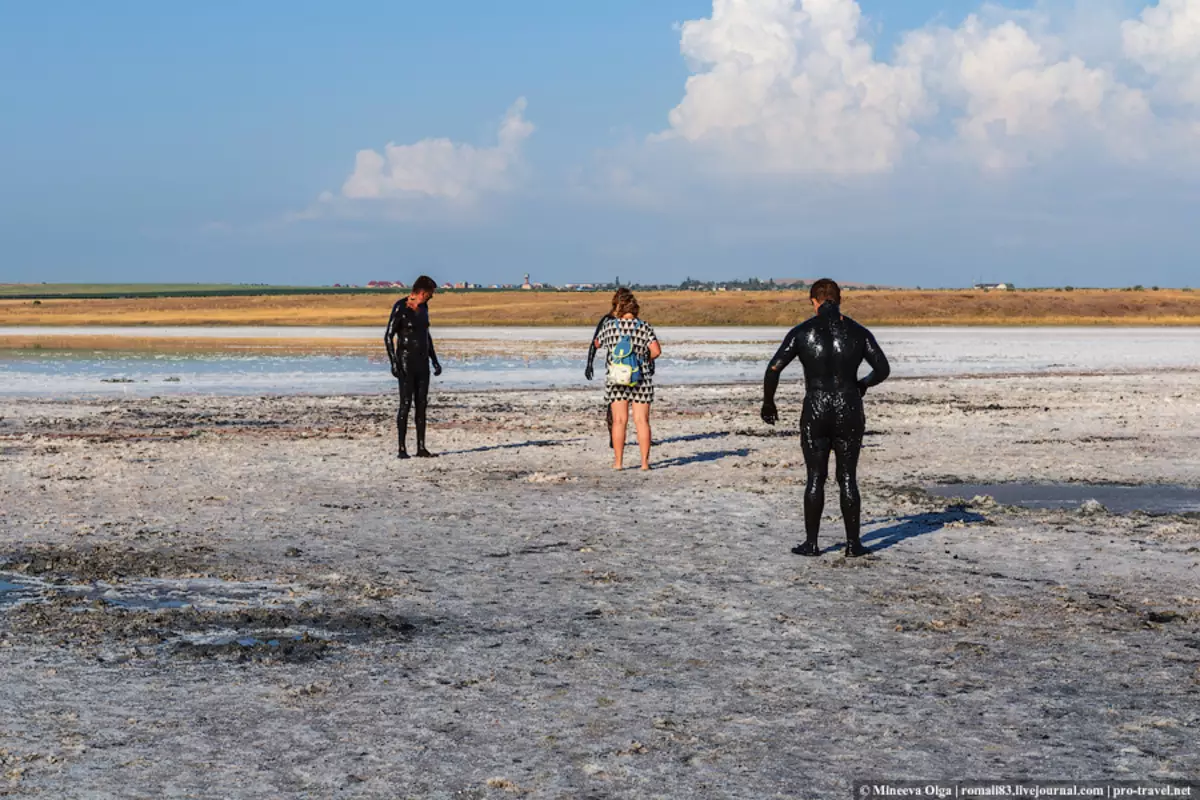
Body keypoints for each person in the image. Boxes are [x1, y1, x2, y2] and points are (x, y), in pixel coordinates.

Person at [761, 278, 890, 557]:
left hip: (816, 407)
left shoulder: (803, 331)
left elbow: (773, 369)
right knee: (847, 477)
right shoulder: (858, 332)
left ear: (814, 301)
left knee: (816, 478)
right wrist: (862, 384)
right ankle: (853, 544)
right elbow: (882, 369)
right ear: (839, 299)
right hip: (848, 405)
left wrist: (769, 403)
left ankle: (812, 543)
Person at [594, 291, 661, 470]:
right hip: (641, 378)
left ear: (618, 307)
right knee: (642, 421)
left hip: (617, 378)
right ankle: (645, 463)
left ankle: (618, 463)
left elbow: (597, 344)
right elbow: (656, 351)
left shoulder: (609, 327)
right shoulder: (644, 327)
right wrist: (645, 360)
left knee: (619, 421)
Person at [385, 276, 443, 459]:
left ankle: (421, 447)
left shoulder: (424, 308)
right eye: (430, 294)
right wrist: (394, 362)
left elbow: (427, 336)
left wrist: (434, 360)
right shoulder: (401, 307)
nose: (431, 298)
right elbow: (388, 336)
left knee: (421, 404)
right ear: (422, 292)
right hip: (405, 361)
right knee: (405, 404)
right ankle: (402, 449)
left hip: (422, 362)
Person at [585, 288, 635, 449]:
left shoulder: (628, 319)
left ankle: (619, 437)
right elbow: (595, 343)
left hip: (630, 365)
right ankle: (613, 438)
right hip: (619, 366)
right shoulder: (608, 320)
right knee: (616, 404)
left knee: (625, 403)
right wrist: (589, 363)